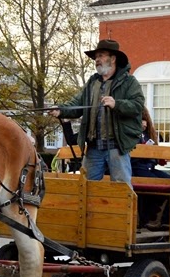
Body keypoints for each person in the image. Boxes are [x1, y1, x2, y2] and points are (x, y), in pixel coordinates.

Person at [49, 39, 144, 184]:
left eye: (101, 56)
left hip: (117, 147)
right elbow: (76, 104)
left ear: (113, 59)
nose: (97, 60)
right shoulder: (92, 82)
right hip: (94, 147)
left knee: (121, 190)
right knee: (86, 188)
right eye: (96, 57)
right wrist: (61, 111)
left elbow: (137, 106)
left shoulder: (129, 82)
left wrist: (116, 104)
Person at [131, 107, 170, 179]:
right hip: (135, 168)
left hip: (147, 167)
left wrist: (154, 161)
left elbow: (152, 154)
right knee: (159, 182)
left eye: (145, 120)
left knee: (169, 179)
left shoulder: (148, 135)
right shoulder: (132, 134)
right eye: (142, 120)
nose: (145, 124)